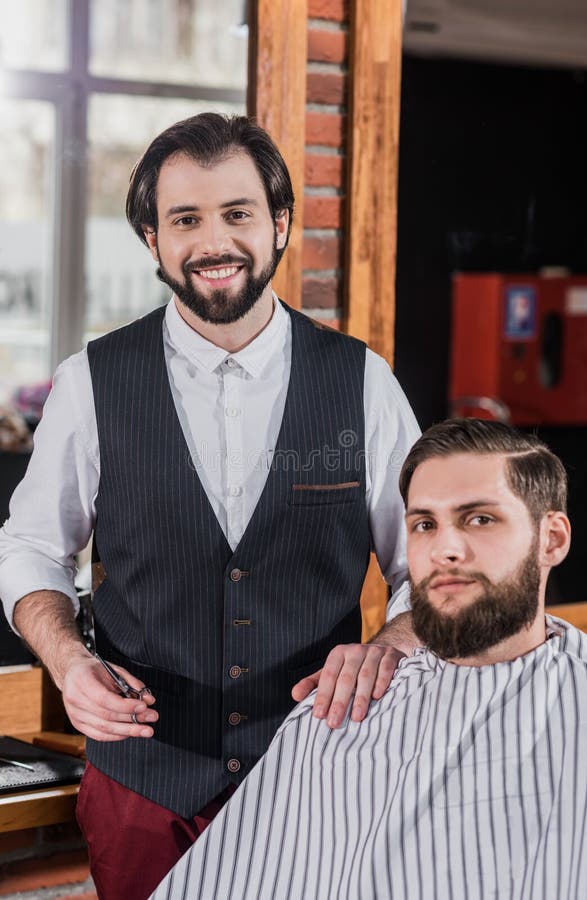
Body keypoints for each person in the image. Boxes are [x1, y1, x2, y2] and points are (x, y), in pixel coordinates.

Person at [0, 113, 420, 899]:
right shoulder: (91, 382)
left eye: (238, 214)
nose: (213, 241)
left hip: (319, 772)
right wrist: (66, 660)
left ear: (279, 225)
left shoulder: (363, 383)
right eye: (185, 219)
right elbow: (29, 547)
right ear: (152, 239)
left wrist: (391, 642)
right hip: (142, 788)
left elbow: (426, 569)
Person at [151, 418, 587, 900]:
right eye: (425, 524)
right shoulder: (335, 717)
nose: (446, 548)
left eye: (480, 519)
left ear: (551, 538)